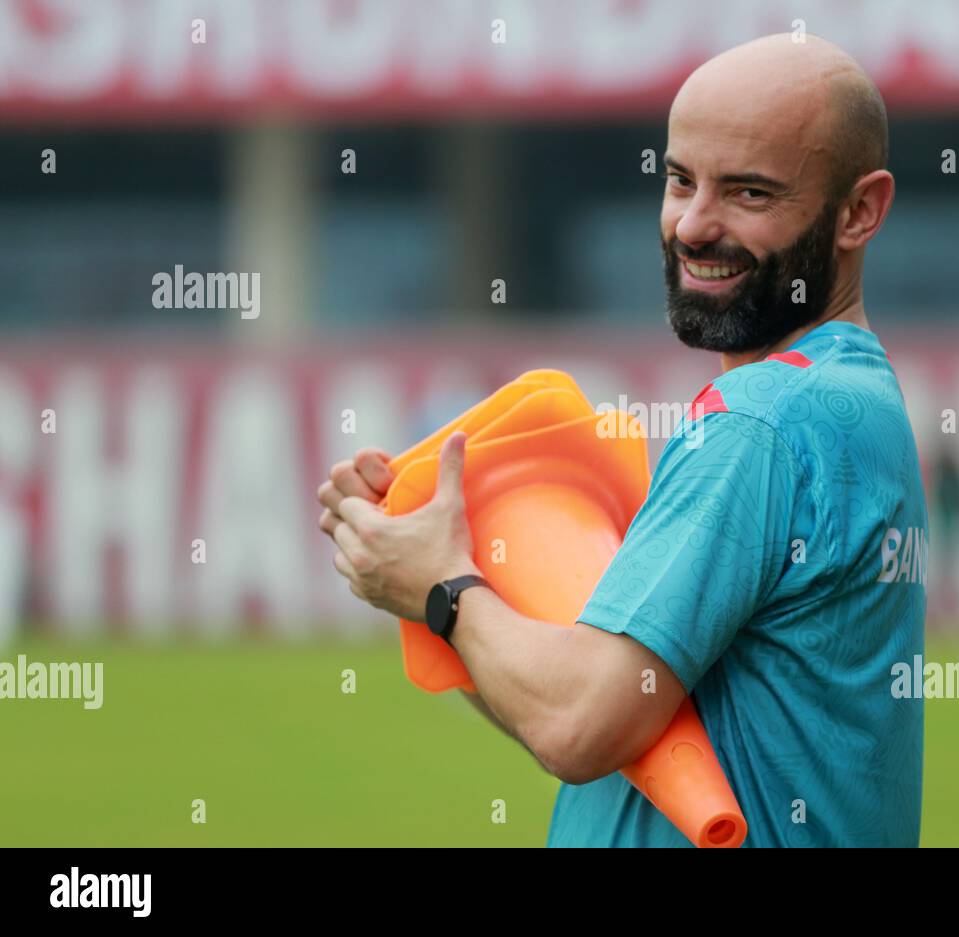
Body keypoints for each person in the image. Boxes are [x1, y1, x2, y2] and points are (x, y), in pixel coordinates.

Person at [316, 33, 927, 847]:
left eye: (748, 193)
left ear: (860, 211)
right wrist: (449, 567)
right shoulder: (859, 396)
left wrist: (442, 587)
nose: (694, 225)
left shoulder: (755, 421)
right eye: (680, 180)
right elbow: (591, 714)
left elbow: (577, 726)